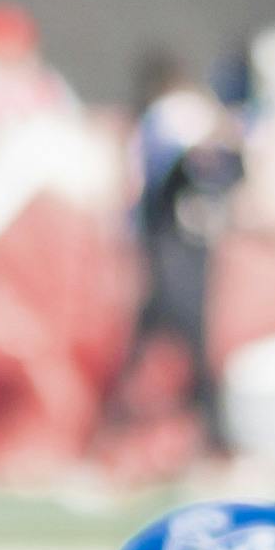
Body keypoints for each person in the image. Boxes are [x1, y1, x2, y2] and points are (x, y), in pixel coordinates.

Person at [102, 55, 239, 453]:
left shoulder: (165, 120)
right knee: (184, 346)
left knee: (158, 346)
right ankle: (212, 438)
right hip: (175, 250)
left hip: (173, 247)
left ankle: (204, 437)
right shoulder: (174, 118)